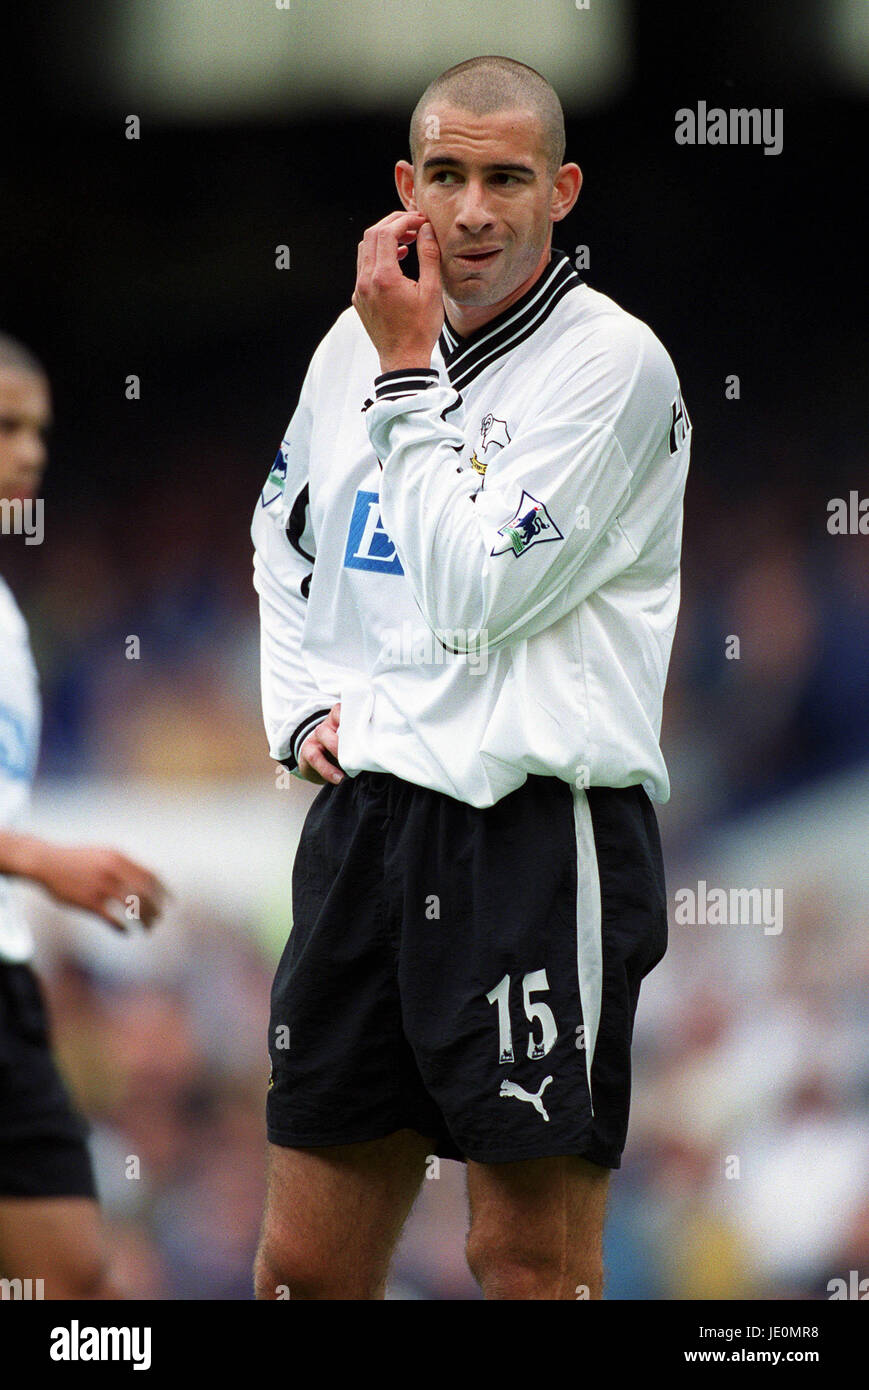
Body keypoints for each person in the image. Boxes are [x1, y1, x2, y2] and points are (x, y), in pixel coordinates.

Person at [251, 55, 691, 1301]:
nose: (473, 211)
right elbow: (280, 535)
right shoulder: (352, 343)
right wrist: (294, 709)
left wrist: (403, 378)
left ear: (560, 191)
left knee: (524, 1262)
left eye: (506, 179)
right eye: (445, 175)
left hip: (534, 839)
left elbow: (472, 596)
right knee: (300, 1267)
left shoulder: (613, 368)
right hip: (367, 828)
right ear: (406, 184)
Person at [0, 332, 165, 1298]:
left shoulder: (11, 618)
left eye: (39, 432)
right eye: (5, 426)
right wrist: (41, 862)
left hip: (8, 986)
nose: (28, 453)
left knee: (71, 1279)